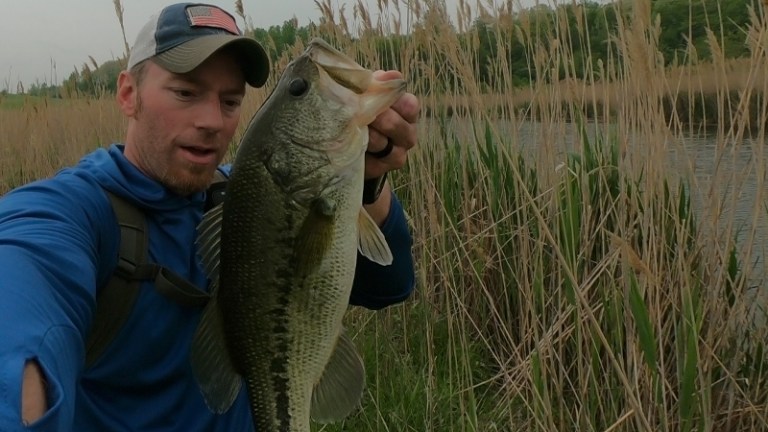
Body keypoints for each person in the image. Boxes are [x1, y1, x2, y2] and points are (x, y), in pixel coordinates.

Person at [0, 3, 418, 431]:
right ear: (129, 94)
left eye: (230, 100)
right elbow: (17, 316)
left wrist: (368, 182)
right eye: (186, 92)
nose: (211, 121)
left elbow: (391, 285)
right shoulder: (69, 212)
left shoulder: (255, 193)